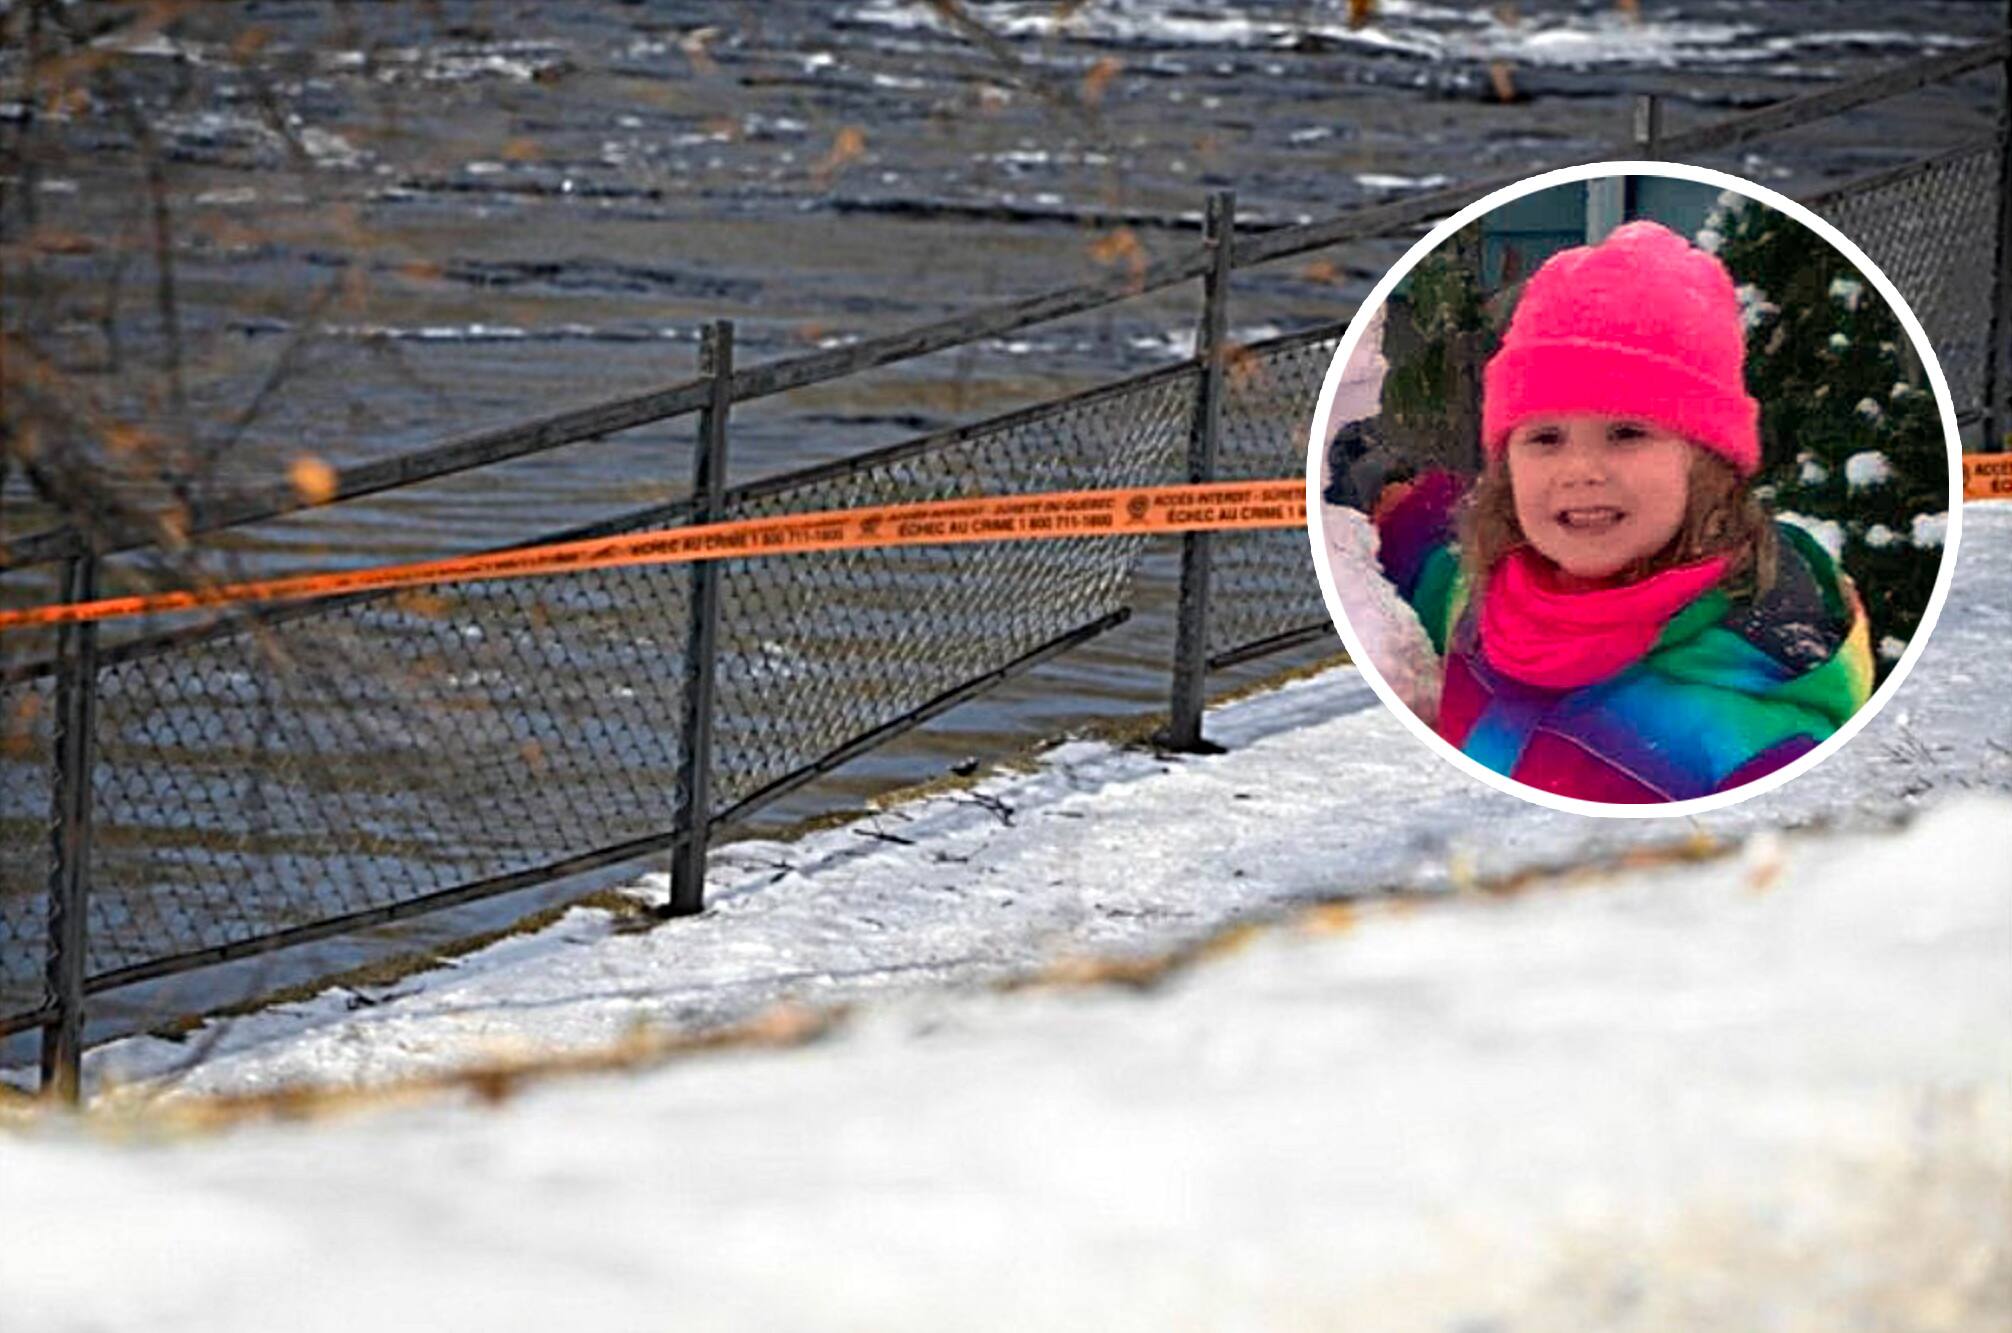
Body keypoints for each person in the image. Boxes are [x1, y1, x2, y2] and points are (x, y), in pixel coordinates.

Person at [1362, 219, 1874, 803]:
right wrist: (1383, 504)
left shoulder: (1754, 752)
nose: (1580, 470)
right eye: (1545, 438)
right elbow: (1434, 560)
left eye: (1627, 433)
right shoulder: (1490, 602)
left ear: (1708, 464)